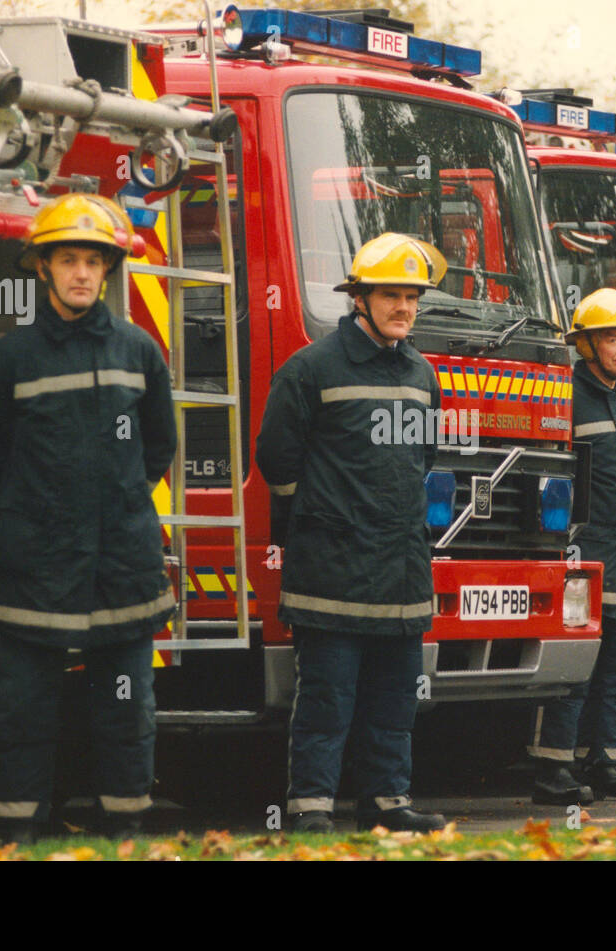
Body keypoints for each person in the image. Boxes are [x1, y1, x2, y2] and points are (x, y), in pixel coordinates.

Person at [0, 193, 177, 843]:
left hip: (123, 561)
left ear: (109, 268)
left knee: (126, 705)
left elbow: (158, 447)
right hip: (36, 562)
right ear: (42, 267)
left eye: (92, 260)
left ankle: (127, 827)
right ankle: (15, 833)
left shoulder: (140, 351)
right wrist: (44, 507)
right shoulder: (10, 358)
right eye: (67, 260)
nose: (81, 272)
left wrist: (110, 503)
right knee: (25, 708)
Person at [256, 233, 448, 834]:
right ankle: (311, 805)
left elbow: (423, 460)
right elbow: (276, 460)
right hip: (331, 573)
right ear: (359, 299)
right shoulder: (310, 368)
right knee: (327, 699)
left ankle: (388, 802)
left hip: (401, 570)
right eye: (391, 295)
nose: (404, 308)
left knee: (396, 700)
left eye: (412, 297)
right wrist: (318, 521)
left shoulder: (422, 374)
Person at [527, 288, 616, 805]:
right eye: (614, 339)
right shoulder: (569, 396)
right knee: (574, 668)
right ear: (586, 344)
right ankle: (552, 767)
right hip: (583, 557)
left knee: (615, 667)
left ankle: (604, 761)